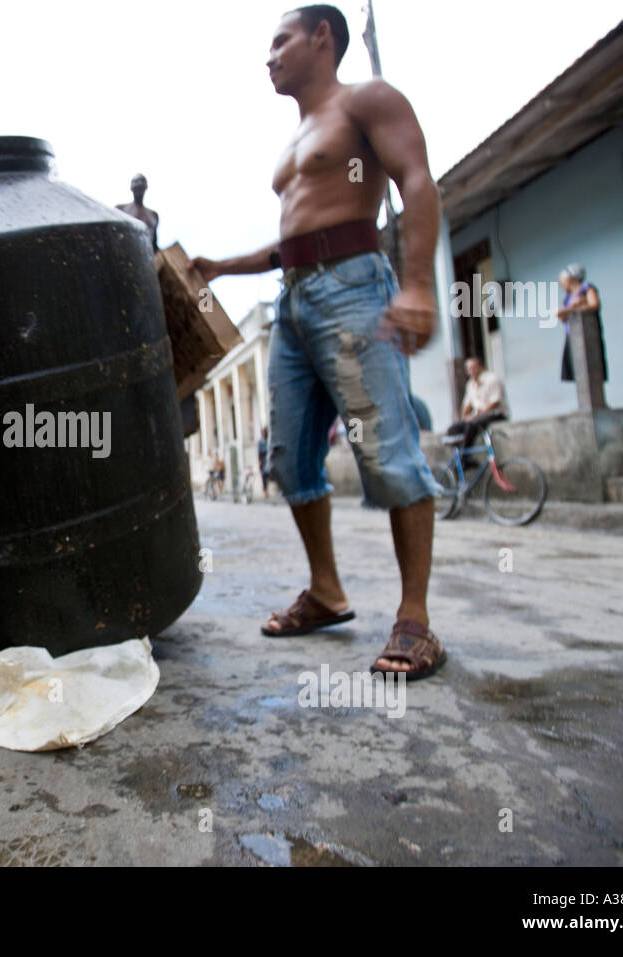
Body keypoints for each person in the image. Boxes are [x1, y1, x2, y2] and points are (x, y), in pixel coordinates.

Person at [190, 3, 447, 679]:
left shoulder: (367, 100)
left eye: (280, 41)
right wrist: (222, 266)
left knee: (387, 451)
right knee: (289, 456)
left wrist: (416, 284)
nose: (268, 57)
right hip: (296, 301)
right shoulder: (295, 141)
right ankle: (327, 592)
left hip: (356, 290)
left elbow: (416, 180)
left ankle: (415, 619)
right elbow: (294, 241)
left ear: (321, 37)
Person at [556, 263, 608, 383]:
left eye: (562, 279)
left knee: (591, 367)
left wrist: (572, 308)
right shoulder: (568, 297)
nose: (561, 283)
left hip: (587, 335)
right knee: (577, 369)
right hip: (572, 335)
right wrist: (563, 314)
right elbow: (565, 319)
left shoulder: (587, 289)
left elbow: (594, 305)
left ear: (570, 278)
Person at [446, 357, 506, 449]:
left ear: (481, 367)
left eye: (474, 368)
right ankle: (458, 455)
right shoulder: (470, 384)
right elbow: (467, 405)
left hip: (495, 414)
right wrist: (464, 418)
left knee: (472, 425)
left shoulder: (491, 379)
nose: (472, 371)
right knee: (453, 428)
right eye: (469, 369)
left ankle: (465, 457)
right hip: (478, 416)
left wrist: (479, 414)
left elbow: (496, 401)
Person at [115, 173, 160, 252]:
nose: (139, 184)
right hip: (126, 252)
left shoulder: (153, 215)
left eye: (142, 182)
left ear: (146, 187)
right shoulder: (120, 209)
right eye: (136, 182)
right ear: (131, 188)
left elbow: (154, 244)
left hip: (146, 255)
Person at [257, 426, 271, 496]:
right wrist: (259, 461)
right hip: (263, 459)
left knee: (268, 474)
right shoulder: (260, 441)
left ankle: (266, 489)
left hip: (269, 459)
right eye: (264, 432)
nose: (265, 433)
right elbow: (259, 452)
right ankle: (265, 490)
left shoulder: (269, 440)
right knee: (264, 475)